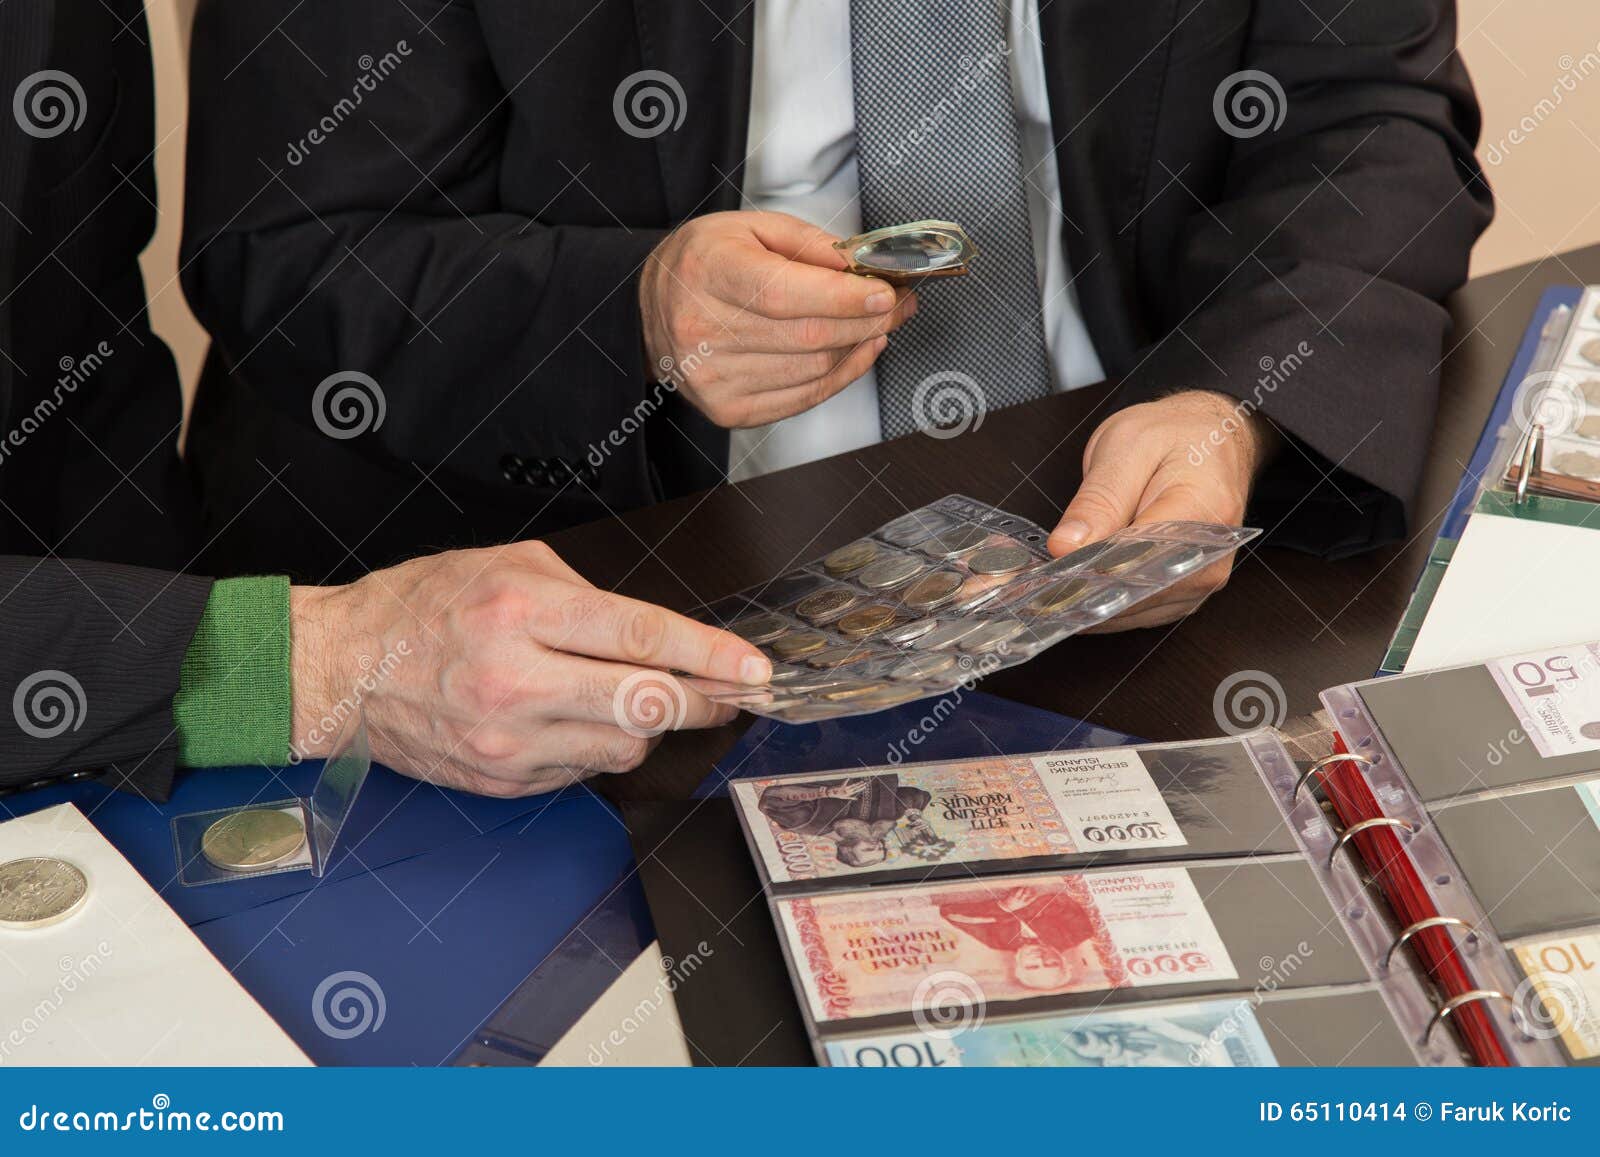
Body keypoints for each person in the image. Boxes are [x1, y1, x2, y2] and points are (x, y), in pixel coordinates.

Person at [180, 1, 1490, 628]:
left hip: (1146, 553)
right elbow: (293, 250)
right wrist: (631, 315)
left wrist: (1236, 402)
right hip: (580, 593)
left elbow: (1366, 117)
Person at [0, 0, 771, 802]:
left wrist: (151, 722)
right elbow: (284, 250)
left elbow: (79, 376)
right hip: (321, 673)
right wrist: (304, 664)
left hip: (140, 749)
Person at [756, 775, 933, 866]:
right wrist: (914, 816)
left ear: (846, 848)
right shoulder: (882, 821)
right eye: (881, 848)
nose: (877, 843)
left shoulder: (808, 824)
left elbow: (770, 799)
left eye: (869, 848)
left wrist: (827, 792)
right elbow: (916, 795)